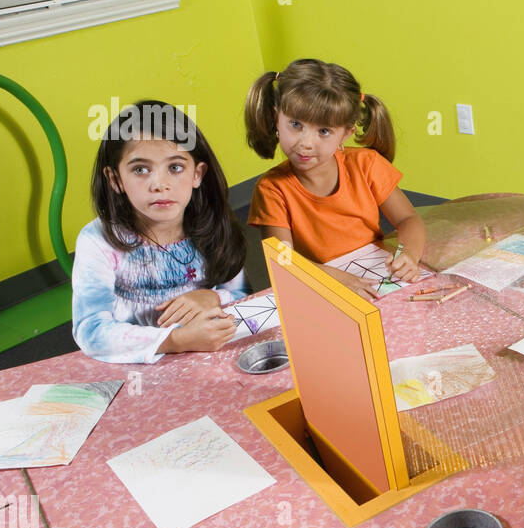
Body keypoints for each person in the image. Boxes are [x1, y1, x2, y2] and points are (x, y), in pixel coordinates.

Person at [73, 100, 247, 363]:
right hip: (136, 365)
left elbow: (245, 297)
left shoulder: (213, 223)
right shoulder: (97, 241)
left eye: (175, 167)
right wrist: (175, 340)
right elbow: (91, 331)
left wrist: (211, 296)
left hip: (210, 354)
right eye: (140, 169)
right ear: (115, 179)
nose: (160, 185)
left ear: (197, 174)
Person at [245, 58, 425, 299]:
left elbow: (408, 219)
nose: (305, 143)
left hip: (374, 278)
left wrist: (409, 254)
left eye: (324, 131)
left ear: (346, 133)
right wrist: (337, 279)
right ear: (276, 117)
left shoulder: (366, 164)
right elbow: (283, 261)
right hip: (317, 291)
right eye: (295, 124)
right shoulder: (272, 189)